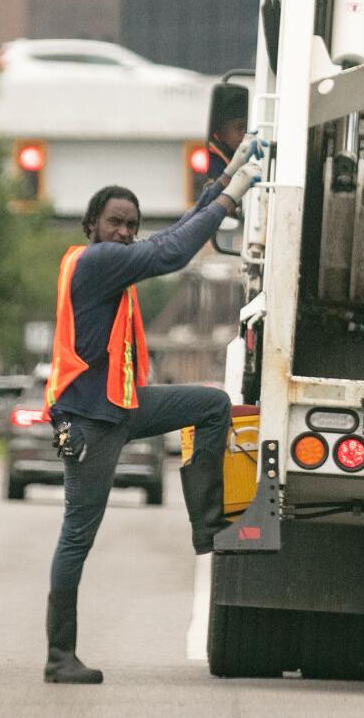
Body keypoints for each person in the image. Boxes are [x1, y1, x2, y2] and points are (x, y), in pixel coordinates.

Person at [41, 136, 266, 685]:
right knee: (78, 533)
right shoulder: (96, 263)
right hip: (90, 421)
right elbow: (172, 252)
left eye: (131, 224)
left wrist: (225, 174)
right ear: (91, 226)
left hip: (119, 406)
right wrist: (232, 196)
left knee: (212, 406)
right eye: (115, 222)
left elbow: (169, 237)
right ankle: (59, 657)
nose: (124, 232)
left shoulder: (108, 261)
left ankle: (206, 524)